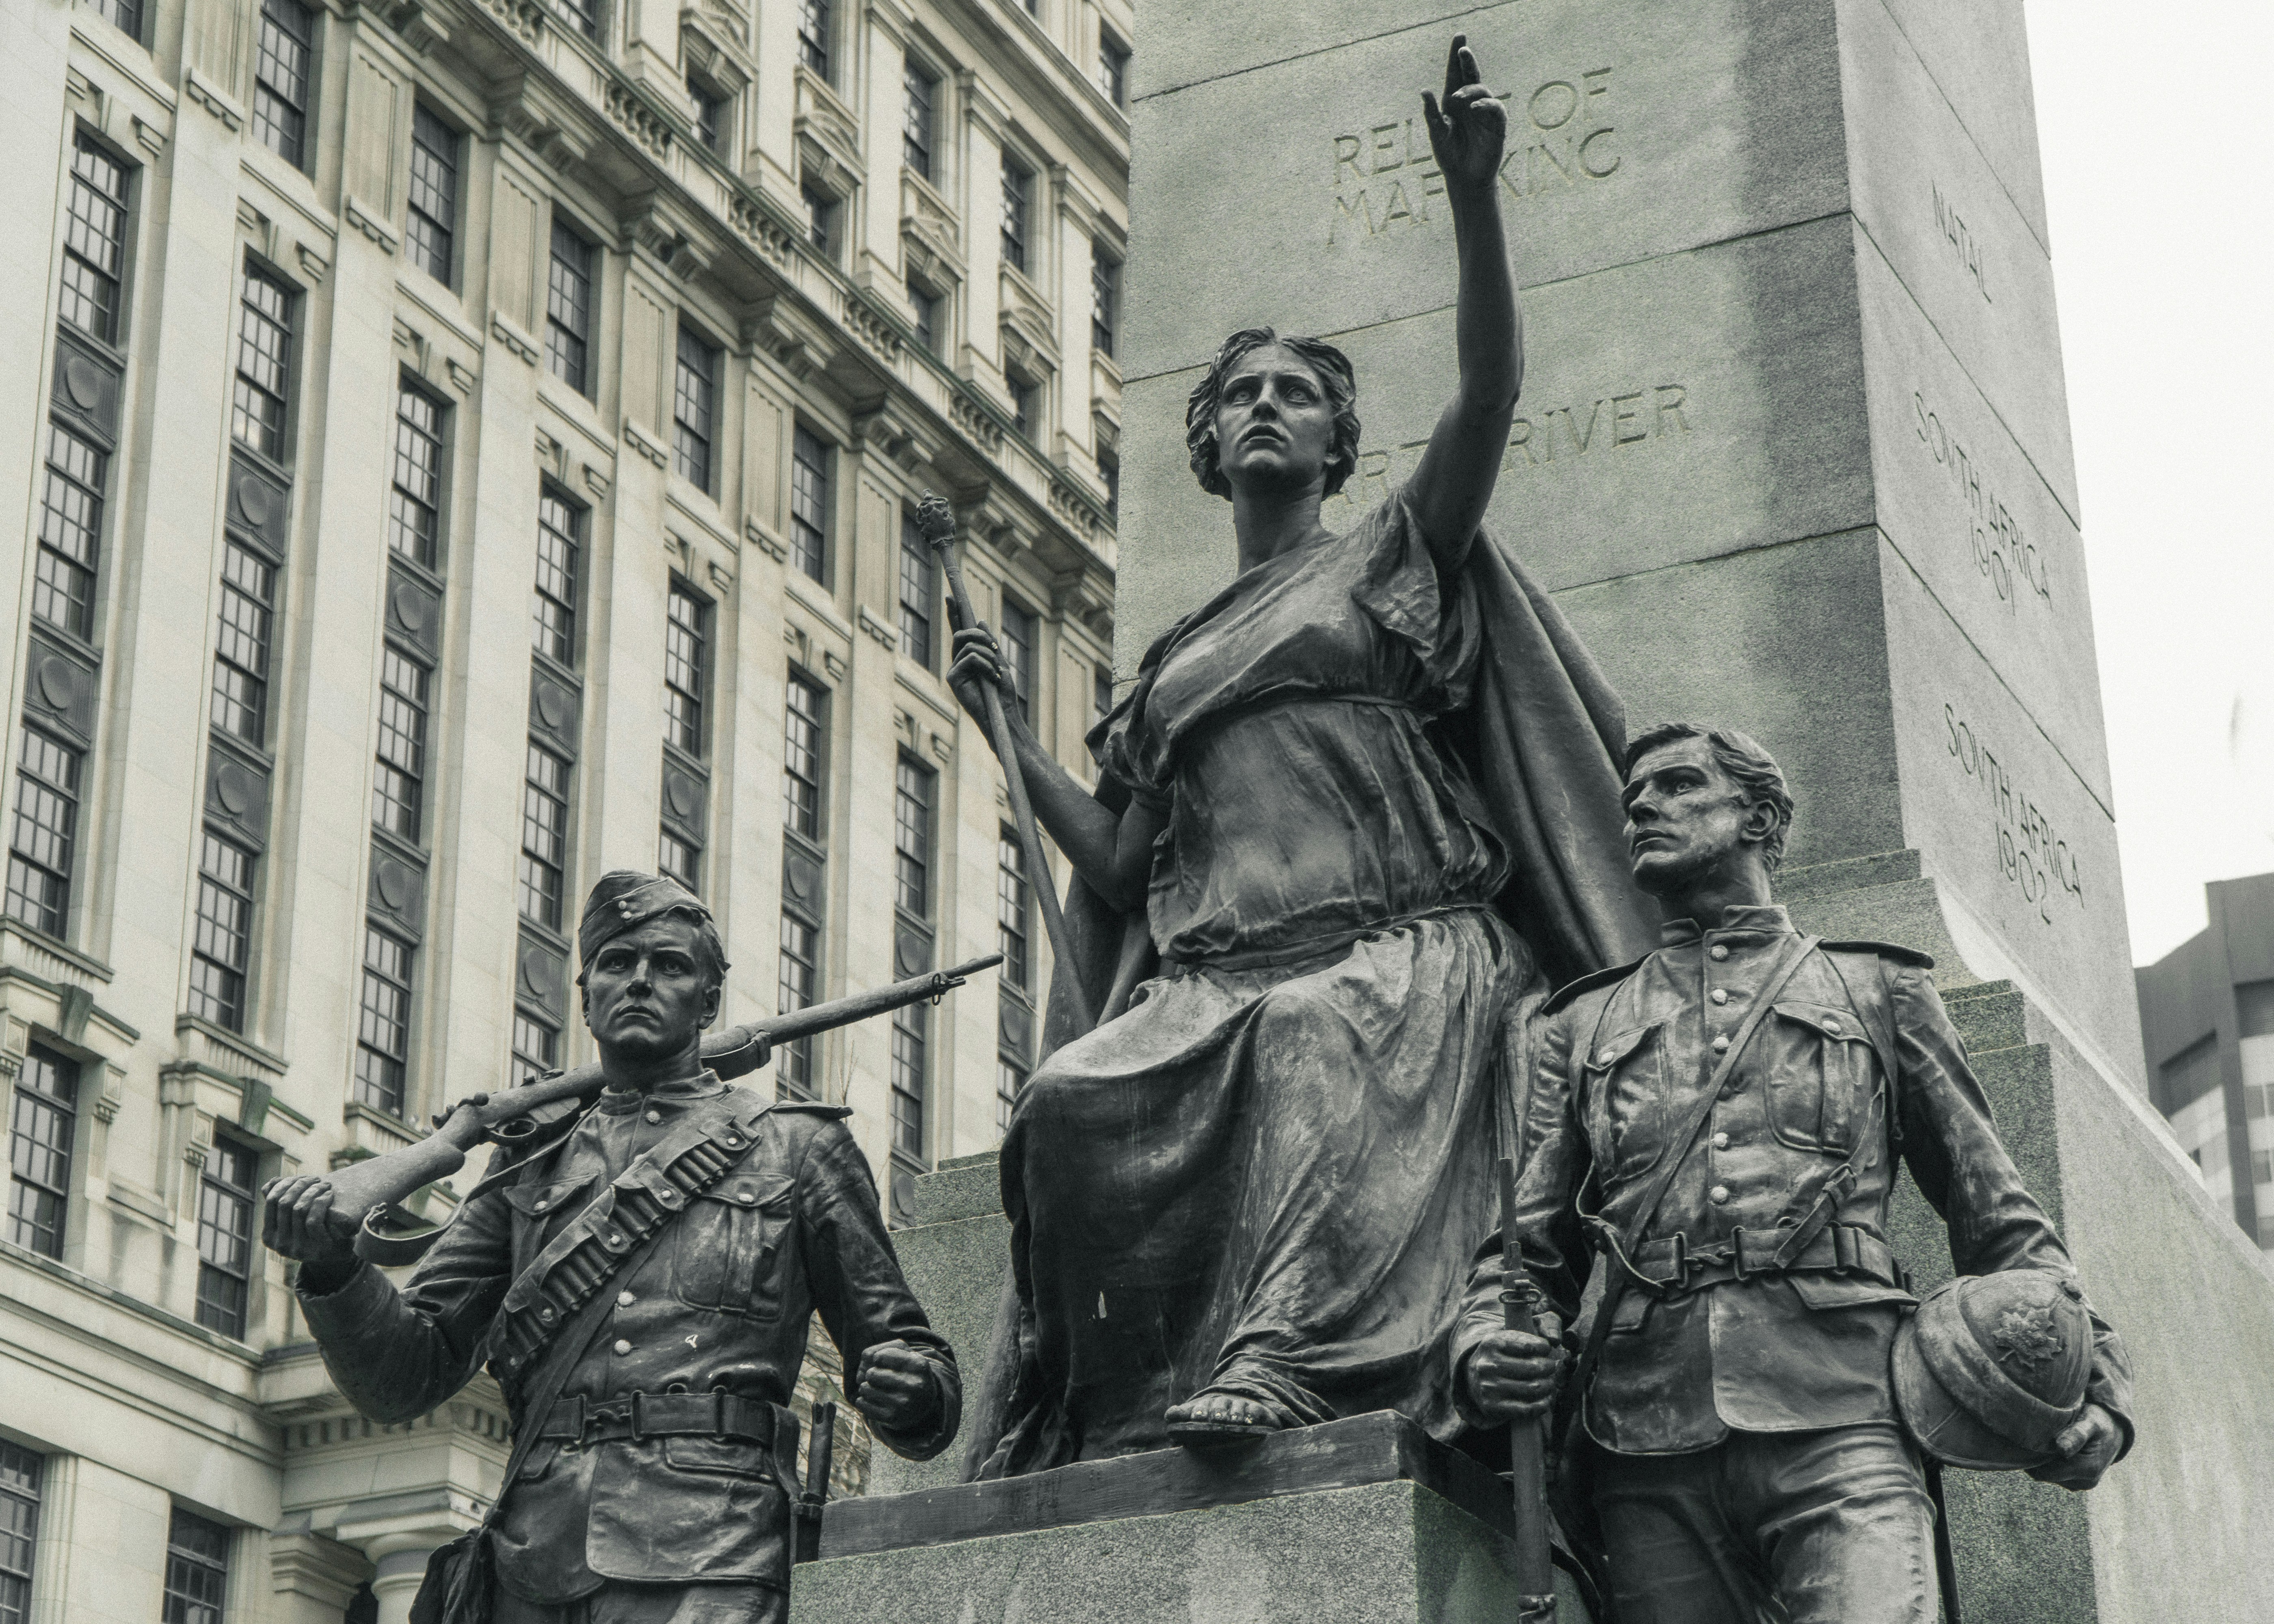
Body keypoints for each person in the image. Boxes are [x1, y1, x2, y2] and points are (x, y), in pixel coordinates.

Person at [947, 38, 1656, 1476]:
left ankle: (1286, 1360)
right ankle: (1110, 1414)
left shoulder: (1394, 558)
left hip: (1393, 955)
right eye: (1240, 397)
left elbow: (1492, 391)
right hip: (1214, 972)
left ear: (1340, 447)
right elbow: (1130, 867)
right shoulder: (1167, 664)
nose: (1267, 406)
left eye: (1298, 395)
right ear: (1204, 447)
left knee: (1315, 1041)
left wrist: (1474, 203)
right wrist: (1012, 739)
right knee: (1066, 1106)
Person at [1458, 723, 2133, 1624]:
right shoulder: (1580, 1024)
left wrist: (2104, 1395)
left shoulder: (1877, 989)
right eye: (1632, 801)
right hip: (1643, 1435)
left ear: (1759, 815)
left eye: (1678, 786)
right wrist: (1484, 1346)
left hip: (1842, 1411)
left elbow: (2003, 1221)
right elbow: (1524, 1254)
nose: (1643, 809)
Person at [261, 872, 959, 1624]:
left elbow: (907, 1351)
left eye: (670, 965)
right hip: (534, 1555)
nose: (640, 982)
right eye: (618, 963)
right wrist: (334, 1266)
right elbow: (407, 1375)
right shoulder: (532, 1161)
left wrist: (914, 1389)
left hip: (715, 1550)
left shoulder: (799, 1149)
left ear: (709, 1001)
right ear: (586, 993)